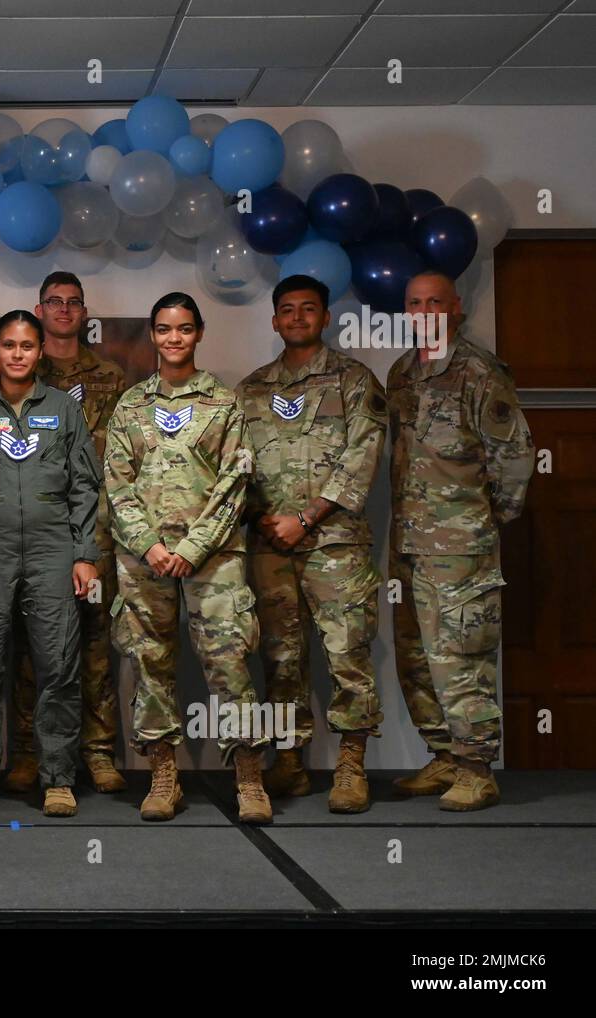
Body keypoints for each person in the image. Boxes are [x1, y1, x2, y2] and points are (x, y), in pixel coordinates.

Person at [104, 292, 271, 823]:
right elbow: (116, 484)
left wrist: (192, 548)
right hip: (142, 556)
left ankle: (249, 780)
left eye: (183, 329)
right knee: (150, 665)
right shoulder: (130, 405)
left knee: (230, 664)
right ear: (152, 336)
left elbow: (234, 484)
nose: (173, 338)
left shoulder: (223, 404)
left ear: (198, 333)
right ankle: (163, 776)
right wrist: (151, 546)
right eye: (163, 329)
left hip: (213, 557)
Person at [237, 274, 388, 813]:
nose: (297, 318)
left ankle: (351, 766)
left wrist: (306, 517)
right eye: (287, 310)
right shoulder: (251, 390)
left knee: (347, 654)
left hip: (335, 545)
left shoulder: (354, 380)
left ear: (325, 318)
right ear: (274, 320)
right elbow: (235, 470)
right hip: (270, 548)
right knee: (281, 659)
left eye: (308, 309)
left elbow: (362, 458)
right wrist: (264, 518)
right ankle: (290, 762)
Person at [0, 310, 101, 819]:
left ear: (39, 351)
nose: (17, 354)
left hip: (53, 548)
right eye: (9, 344)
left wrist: (85, 554)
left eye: (27, 345)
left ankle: (57, 777)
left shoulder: (64, 409)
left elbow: (84, 485)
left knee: (58, 666)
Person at [388, 271, 533, 811]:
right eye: (414, 302)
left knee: (460, 655)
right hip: (407, 540)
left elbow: (514, 459)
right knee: (416, 657)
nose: (424, 310)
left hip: (460, 547)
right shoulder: (402, 374)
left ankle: (477, 768)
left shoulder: (478, 372)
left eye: (435, 301)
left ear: (456, 308)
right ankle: (444, 754)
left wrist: (484, 521)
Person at [8, 272, 129, 795]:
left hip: (99, 531)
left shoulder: (111, 375)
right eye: (53, 302)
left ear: (83, 312)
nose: (63, 310)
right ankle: (30, 751)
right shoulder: (20, 376)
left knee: (97, 643)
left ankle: (98, 752)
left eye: (72, 302)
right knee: (32, 645)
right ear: (39, 309)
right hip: (35, 531)